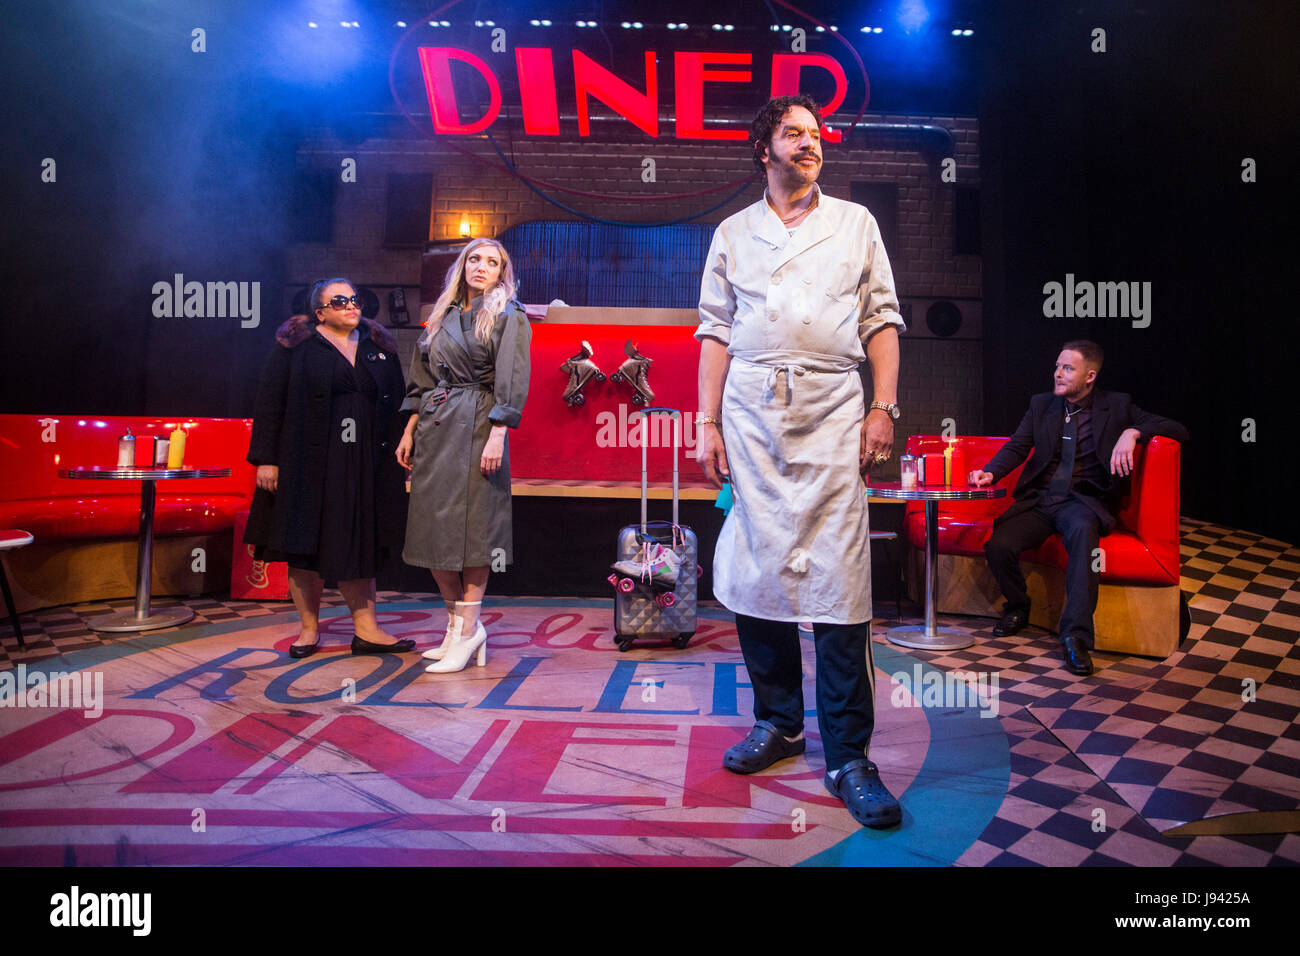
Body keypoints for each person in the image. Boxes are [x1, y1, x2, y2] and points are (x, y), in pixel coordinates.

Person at [695, 94, 906, 829]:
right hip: (751, 416)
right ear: (764, 150)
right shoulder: (732, 231)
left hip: (832, 412)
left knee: (840, 580)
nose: (810, 143)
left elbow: (882, 320)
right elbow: (715, 332)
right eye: (793, 133)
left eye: (816, 134)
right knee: (758, 571)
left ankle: (850, 756)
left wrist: (883, 407)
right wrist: (707, 421)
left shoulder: (855, 223)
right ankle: (780, 724)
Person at [969, 340, 1188, 675]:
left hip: (1083, 502)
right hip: (1042, 501)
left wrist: (1133, 432)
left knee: (1084, 536)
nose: (1057, 373)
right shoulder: (1041, 405)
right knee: (999, 544)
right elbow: (1017, 445)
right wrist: (991, 471)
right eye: (1057, 366)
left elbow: (1178, 429)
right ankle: (1018, 606)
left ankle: (1076, 637)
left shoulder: (1117, 405)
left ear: (1090, 376)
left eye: (1067, 368)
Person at [245, 278, 415, 658]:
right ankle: (308, 630)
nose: (350, 306)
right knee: (304, 543)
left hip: (365, 462)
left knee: (362, 540)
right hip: (307, 461)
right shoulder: (296, 346)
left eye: (354, 300)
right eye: (339, 301)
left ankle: (367, 630)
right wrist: (266, 459)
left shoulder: (378, 346)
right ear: (319, 311)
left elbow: (399, 401)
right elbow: (270, 402)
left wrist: (405, 449)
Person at [398, 238, 531, 674]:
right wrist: (409, 428)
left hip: (478, 424)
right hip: (436, 428)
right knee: (434, 527)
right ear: (463, 265)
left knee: (475, 529)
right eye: (475, 258)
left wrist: (498, 434)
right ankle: (456, 628)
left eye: (493, 262)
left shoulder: (508, 315)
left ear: (501, 273)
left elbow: (512, 377)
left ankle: (471, 626)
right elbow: (420, 380)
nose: (482, 267)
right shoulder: (442, 316)